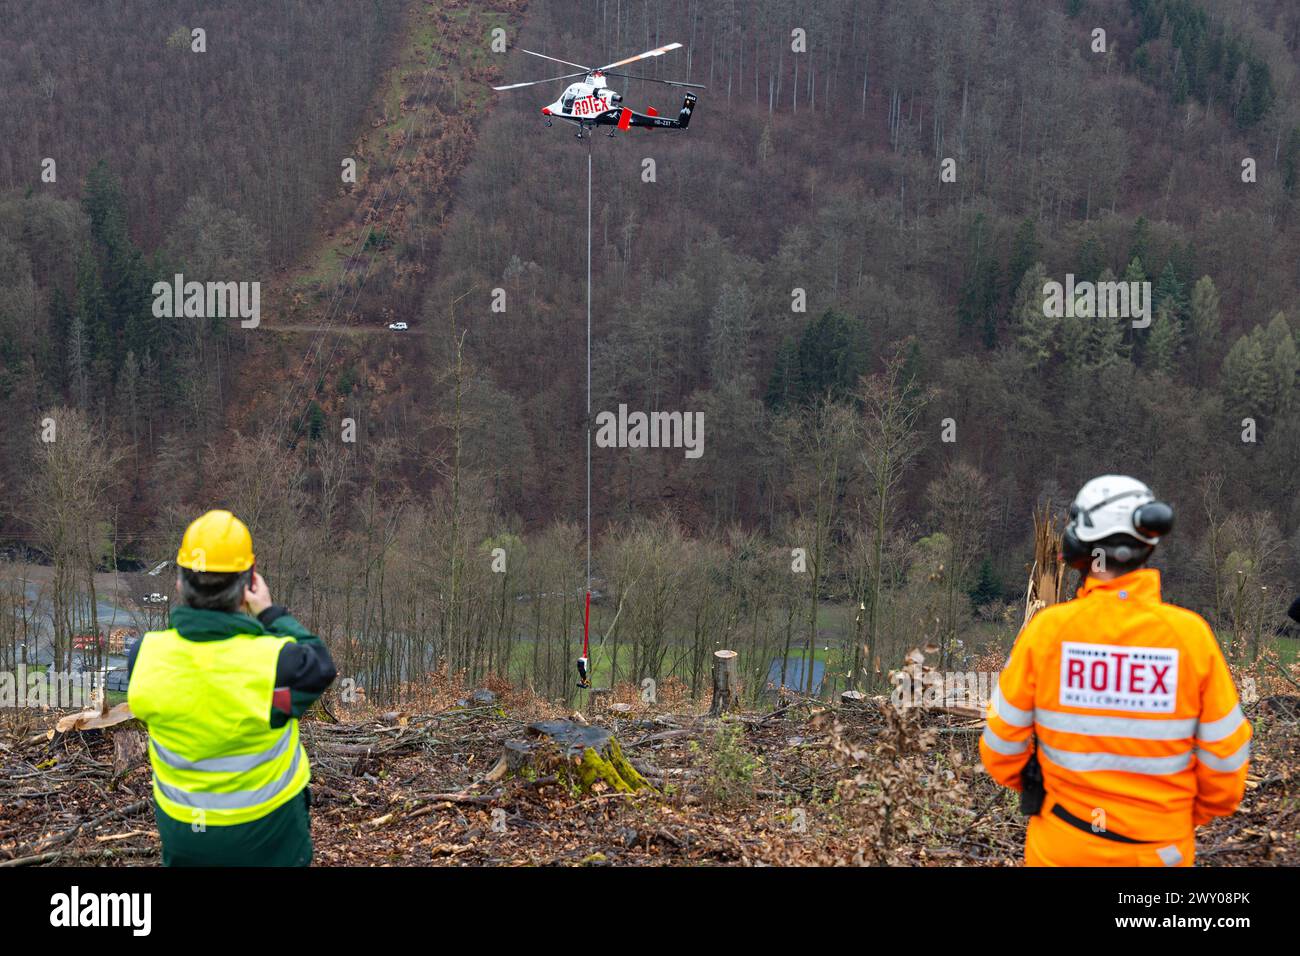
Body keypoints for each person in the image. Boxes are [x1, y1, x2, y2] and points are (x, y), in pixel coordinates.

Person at [980, 475, 1251, 866]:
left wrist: (1051, 792)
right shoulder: (1191, 638)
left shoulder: (1048, 632)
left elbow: (1000, 748)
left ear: (1079, 546)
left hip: (1061, 848)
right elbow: (1226, 766)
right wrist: (1170, 819)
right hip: (1161, 852)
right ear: (1149, 544)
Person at [127, 510, 336, 866]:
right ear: (249, 583)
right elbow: (320, 664)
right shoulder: (276, 664)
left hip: (185, 834)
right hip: (270, 836)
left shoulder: (144, 655)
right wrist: (270, 613)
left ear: (179, 583)